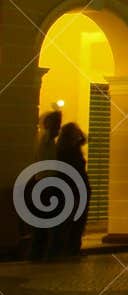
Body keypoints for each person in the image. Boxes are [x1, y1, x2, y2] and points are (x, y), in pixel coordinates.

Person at [26, 110, 61, 260]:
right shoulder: (45, 140)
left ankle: (39, 254)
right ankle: (37, 255)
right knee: (43, 223)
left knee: (44, 223)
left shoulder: (50, 141)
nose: (58, 129)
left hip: (46, 184)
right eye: (56, 126)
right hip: (43, 185)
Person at [51, 122, 89, 259]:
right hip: (73, 189)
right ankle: (70, 249)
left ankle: (72, 248)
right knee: (74, 222)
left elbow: (84, 139)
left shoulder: (69, 148)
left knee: (75, 221)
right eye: (75, 132)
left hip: (76, 188)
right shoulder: (68, 151)